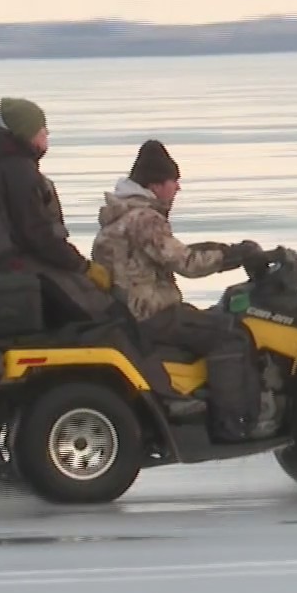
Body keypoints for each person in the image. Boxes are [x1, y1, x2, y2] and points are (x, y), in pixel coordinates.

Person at [0, 99, 200, 418]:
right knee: (115, 317)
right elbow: (40, 236)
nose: (47, 138)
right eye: (43, 131)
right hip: (28, 268)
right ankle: (164, 396)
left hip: (3, 270)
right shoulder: (20, 171)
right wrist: (83, 267)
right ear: (25, 134)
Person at [91, 139, 266, 442]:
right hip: (151, 315)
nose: (178, 189)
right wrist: (234, 257)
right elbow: (187, 263)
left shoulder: (121, 217)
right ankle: (233, 423)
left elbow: (167, 255)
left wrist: (224, 250)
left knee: (209, 321)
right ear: (156, 185)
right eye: (175, 181)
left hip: (127, 314)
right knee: (231, 334)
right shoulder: (145, 219)